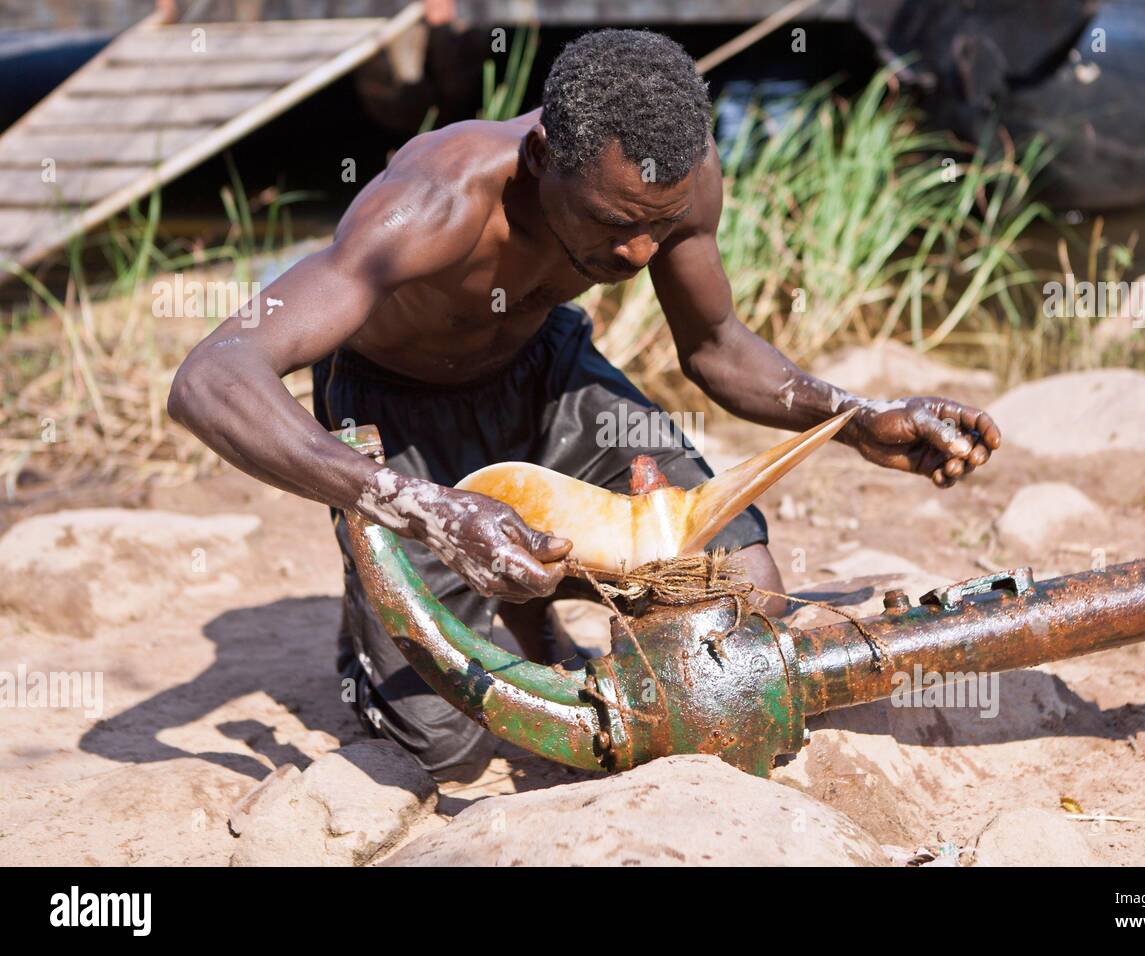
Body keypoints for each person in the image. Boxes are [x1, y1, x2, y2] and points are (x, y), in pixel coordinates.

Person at [169, 29, 1000, 780]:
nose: (640, 253)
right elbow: (212, 377)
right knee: (445, 747)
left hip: (548, 377)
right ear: (540, 160)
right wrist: (423, 509)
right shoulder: (432, 202)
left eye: (659, 227)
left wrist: (858, 417)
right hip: (401, 413)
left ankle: (536, 602)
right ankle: (379, 627)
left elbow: (716, 348)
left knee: (748, 595)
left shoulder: (675, 177)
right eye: (613, 224)